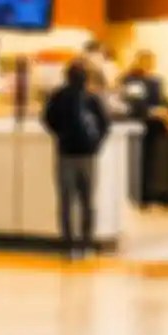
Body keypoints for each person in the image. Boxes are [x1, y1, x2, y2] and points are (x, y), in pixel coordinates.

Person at [43, 60, 111, 258]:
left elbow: (48, 120)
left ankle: (68, 243)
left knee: (66, 201)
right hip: (87, 155)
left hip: (66, 154)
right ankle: (86, 242)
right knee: (87, 201)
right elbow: (105, 124)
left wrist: (61, 136)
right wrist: (95, 145)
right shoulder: (92, 98)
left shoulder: (58, 97)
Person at [121, 50, 168, 210]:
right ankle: (141, 195)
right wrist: (153, 111)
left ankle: (152, 193)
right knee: (140, 161)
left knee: (151, 161)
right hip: (139, 126)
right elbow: (134, 104)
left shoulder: (155, 81)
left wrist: (166, 115)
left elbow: (162, 101)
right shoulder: (131, 80)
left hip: (155, 126)